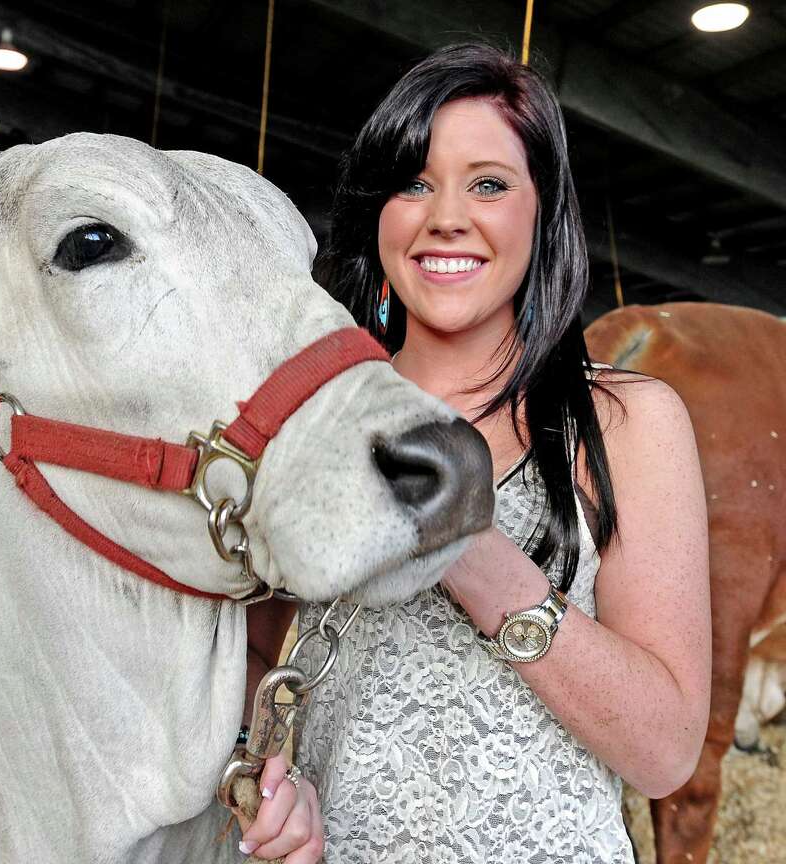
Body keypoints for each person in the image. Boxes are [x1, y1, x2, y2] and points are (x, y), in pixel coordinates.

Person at [235, 44, 710, 863]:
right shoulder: (313, 415)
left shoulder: (627, 422)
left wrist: (469, 544)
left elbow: (665, 755)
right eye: (413, 183)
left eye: (488, 184)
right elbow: (245, 656)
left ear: (542, 211)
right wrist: (267, 780)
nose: (446, 216)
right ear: (378, 213)